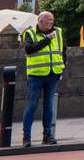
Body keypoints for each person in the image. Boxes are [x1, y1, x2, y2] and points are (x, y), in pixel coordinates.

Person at [21, 10, 66, 148]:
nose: (51, 23)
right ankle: (26, 137)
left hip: (53, 74)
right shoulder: (30, 34)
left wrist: (63, 66)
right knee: (32, 105)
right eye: (48, 20)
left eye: (52, 20)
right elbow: (29, 50)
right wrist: (46, 40)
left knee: (49, 106)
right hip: (36, 75)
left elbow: (63, 50)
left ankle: (47, 135)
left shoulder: (57, 32)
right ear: (40, 22)